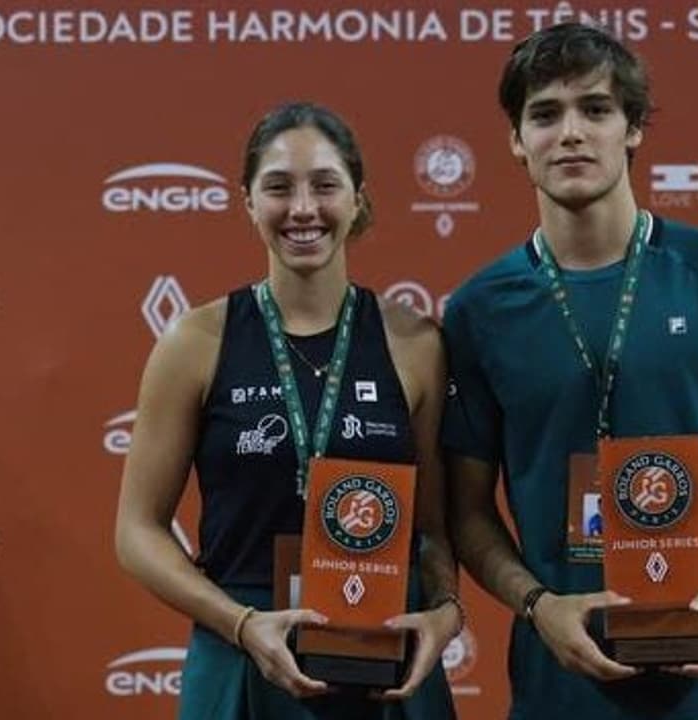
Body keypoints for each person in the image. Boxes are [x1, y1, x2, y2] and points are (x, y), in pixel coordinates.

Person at [442, 23, 698, 719]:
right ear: (515, 140)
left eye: (595, 109)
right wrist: (536, 603)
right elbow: (466, 510)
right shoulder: (479, 309)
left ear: (634, 129)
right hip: (566, 685)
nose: (571, 134)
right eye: (545, 114)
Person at [116, 102, 460, 720]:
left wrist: (445, 610)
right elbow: (137, 532)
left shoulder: (416, 344)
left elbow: (432, 528)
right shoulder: (195, 342)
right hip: (242, 654)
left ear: (357, 199)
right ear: (247, 201)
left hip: (387, 659)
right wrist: (242, 624)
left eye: (325, 185)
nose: (303, 208)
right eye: (278, 187)